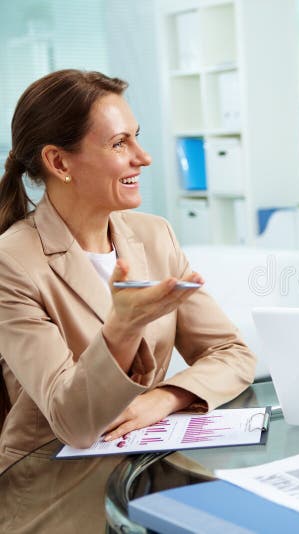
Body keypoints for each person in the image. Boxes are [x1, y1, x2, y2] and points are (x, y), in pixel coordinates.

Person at [0, 70, 257, 474]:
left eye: (136, 136)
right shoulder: (12, 263)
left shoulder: (154, 236)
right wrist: (123, 328)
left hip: (145, 461)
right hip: (55, 482)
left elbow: (232, 354)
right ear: (58, 161)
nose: (144, 157)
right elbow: (74, 423)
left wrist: (166, 396)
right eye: (120, 143)